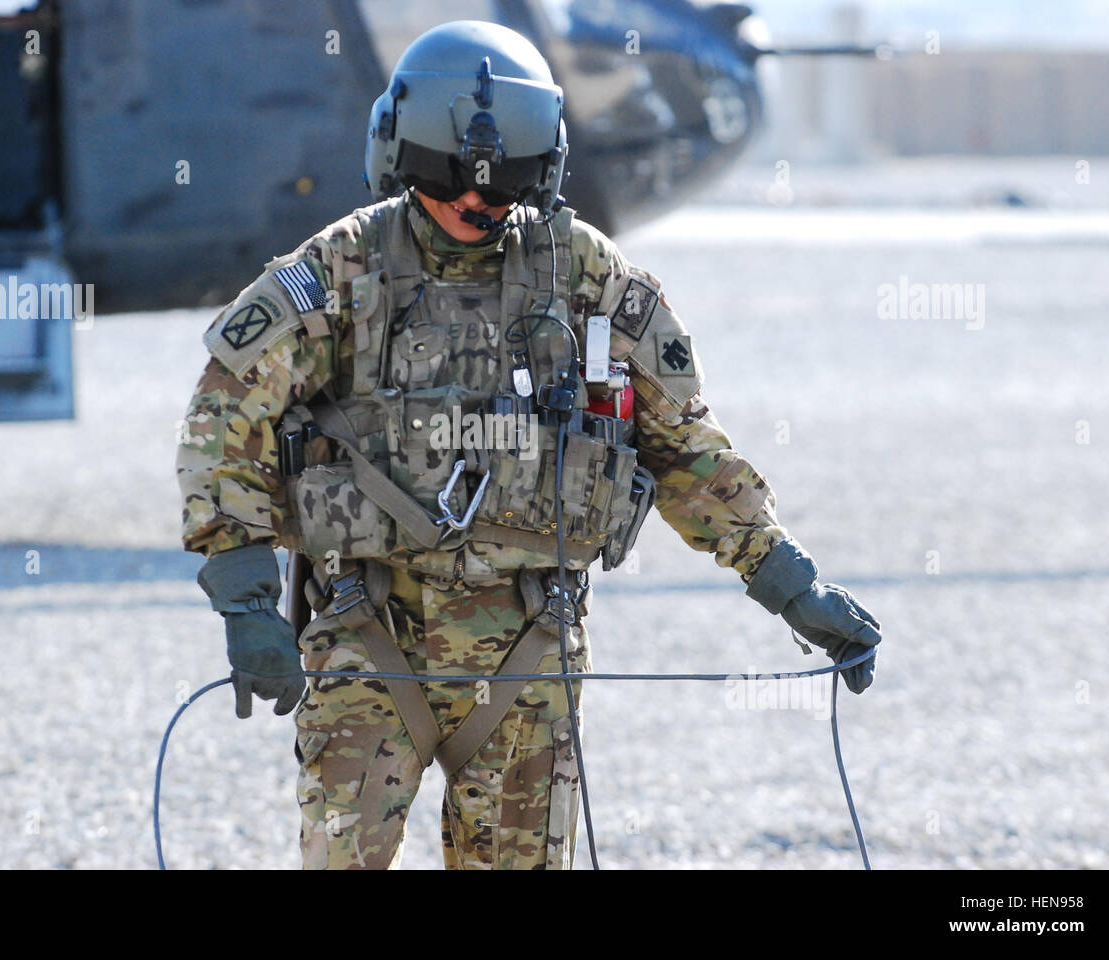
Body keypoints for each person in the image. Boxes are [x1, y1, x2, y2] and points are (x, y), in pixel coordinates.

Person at [176, 20, 881, 870]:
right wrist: (245, 602)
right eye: (454, 186)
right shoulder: (341, 272)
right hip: (369, 634)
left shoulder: (586, 278)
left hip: (528, 648)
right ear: (402, 161)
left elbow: (687, 451)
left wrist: (790, 584)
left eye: (503, 190)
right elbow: (225, 424)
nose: (479, 207)